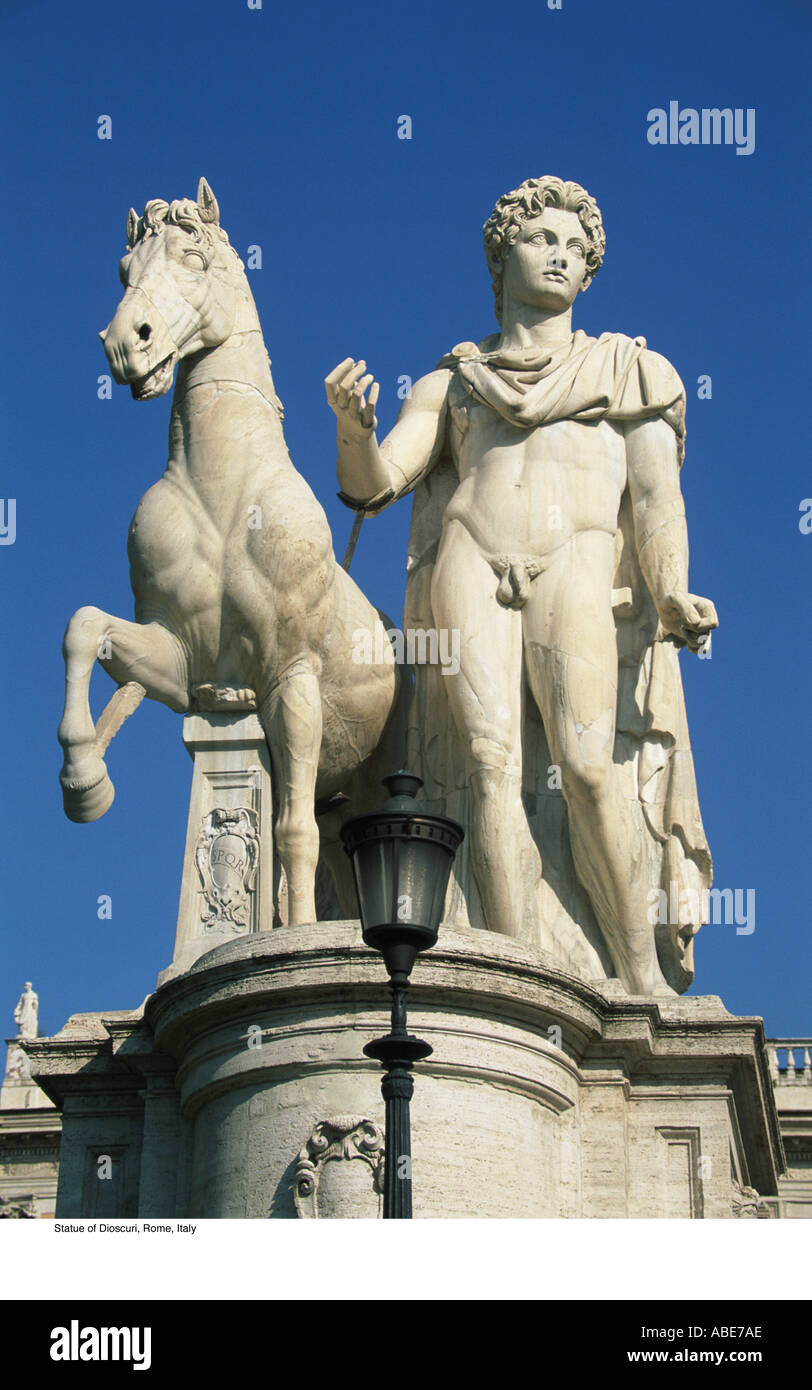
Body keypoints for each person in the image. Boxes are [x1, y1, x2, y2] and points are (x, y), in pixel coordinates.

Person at [326, 176, 717, 996]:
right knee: (488, 761)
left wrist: (673, 590)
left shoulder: (632, 370)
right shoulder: (456, 382)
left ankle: (639, 978)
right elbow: (373, 486)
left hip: (576, 556)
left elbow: (655, 501)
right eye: (544, 239)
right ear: (501, 258)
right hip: (472, 552)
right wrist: (351, 430)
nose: (563, 256)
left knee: (583, 766)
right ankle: (519, 972)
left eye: (578, 249)